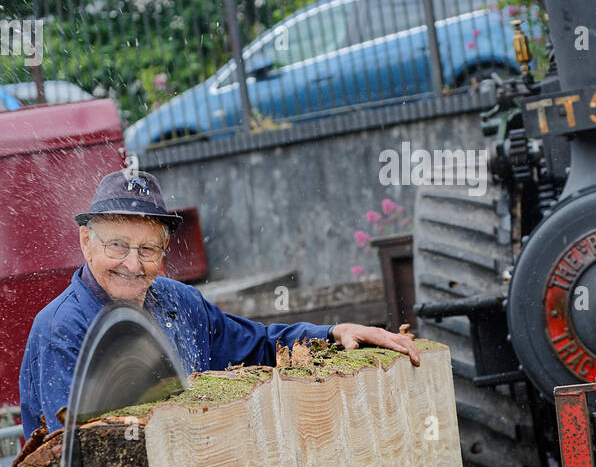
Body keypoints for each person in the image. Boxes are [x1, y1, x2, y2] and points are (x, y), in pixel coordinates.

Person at [18, 170, 420, 440]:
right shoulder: (63, 328)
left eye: (147, 249)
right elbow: (75, 450)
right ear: (86, 241)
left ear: (165, 251)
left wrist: (334, 334)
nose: (132, 264)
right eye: (117, 246)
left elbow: (261, 346)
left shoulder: (181, 303)